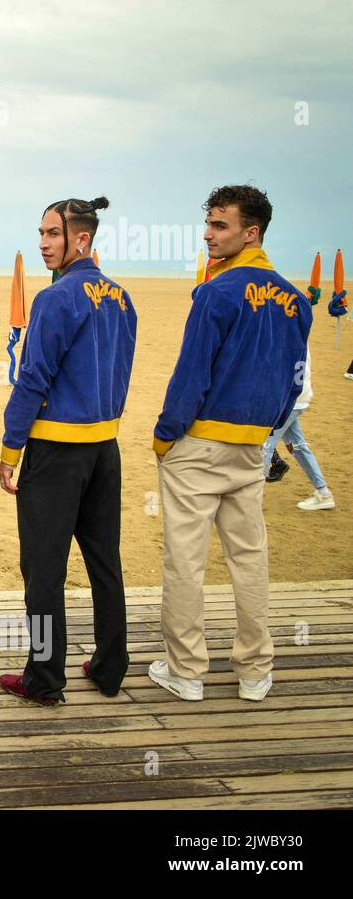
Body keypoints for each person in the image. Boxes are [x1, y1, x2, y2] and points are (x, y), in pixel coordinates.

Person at [151, 185, 312, 703]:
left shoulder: (215, 292)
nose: (208, 234)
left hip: (198, 444)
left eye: (220, 225)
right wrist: (270, 429)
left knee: (185, 560)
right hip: (252, 447)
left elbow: (190, 374)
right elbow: (293, 378)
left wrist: (165, 435)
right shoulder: (294, 298)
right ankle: (254, 671)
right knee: (250, 558)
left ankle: (187, 671)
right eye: (209, 224)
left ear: (251, 232)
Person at [0, 196, 137, 705]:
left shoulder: (55, 300)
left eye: (52, 234)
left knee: (43, 568)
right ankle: (109, 667)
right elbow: (121, 373)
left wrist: (12, 447)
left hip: (57, 451)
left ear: (81, 239)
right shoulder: (122, 298)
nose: (42, 244)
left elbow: (32, 378)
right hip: (106, 448)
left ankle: (45, 678)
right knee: (104, 561)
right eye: (41, 234)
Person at [261, 346, 334, 511]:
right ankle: (323, 492)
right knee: (298, 445)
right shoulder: (296, 329)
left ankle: (252, 497)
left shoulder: (285, 333)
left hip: (288, 399)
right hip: (298, 397)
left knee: (265, 444)